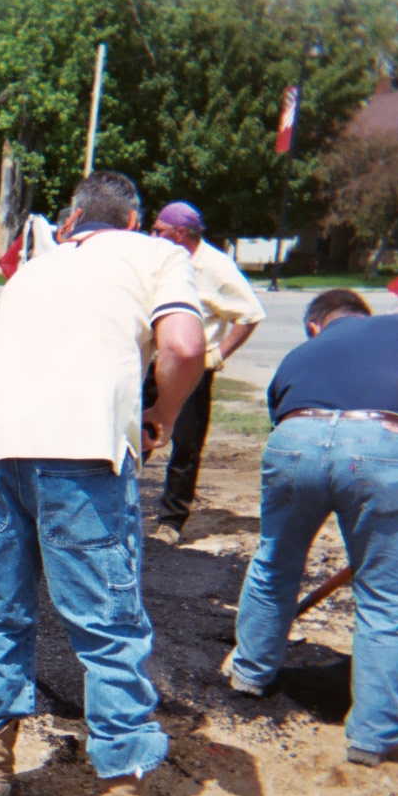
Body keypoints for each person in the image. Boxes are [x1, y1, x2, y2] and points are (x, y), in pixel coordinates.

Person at [0, 171, 207, 796]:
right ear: (134, 220)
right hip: (82, 451)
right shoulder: (158, 254)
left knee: (0, 608)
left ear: (72, 220)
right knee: (106, 624)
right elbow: (185, 347)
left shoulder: (36, 266)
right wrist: (161, 414)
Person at [225, 290, 398, 767]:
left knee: (274, 562)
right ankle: (375, 735)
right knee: (387, 595)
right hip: (378, 441)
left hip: (294, 439)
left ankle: (250, 673)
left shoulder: (301, 352)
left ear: (315, 325)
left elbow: (278, 413)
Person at [146, 202, 267, 545]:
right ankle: (119, 504)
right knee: (136, 433)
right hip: (153, 361)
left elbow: (250, 314)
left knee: (185, 444)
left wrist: (219, 353)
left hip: (190, 368)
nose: (152, 235)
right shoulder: (160, 258)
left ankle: (171, 521)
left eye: (158, 230)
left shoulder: (216, 267)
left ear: (180, 233)